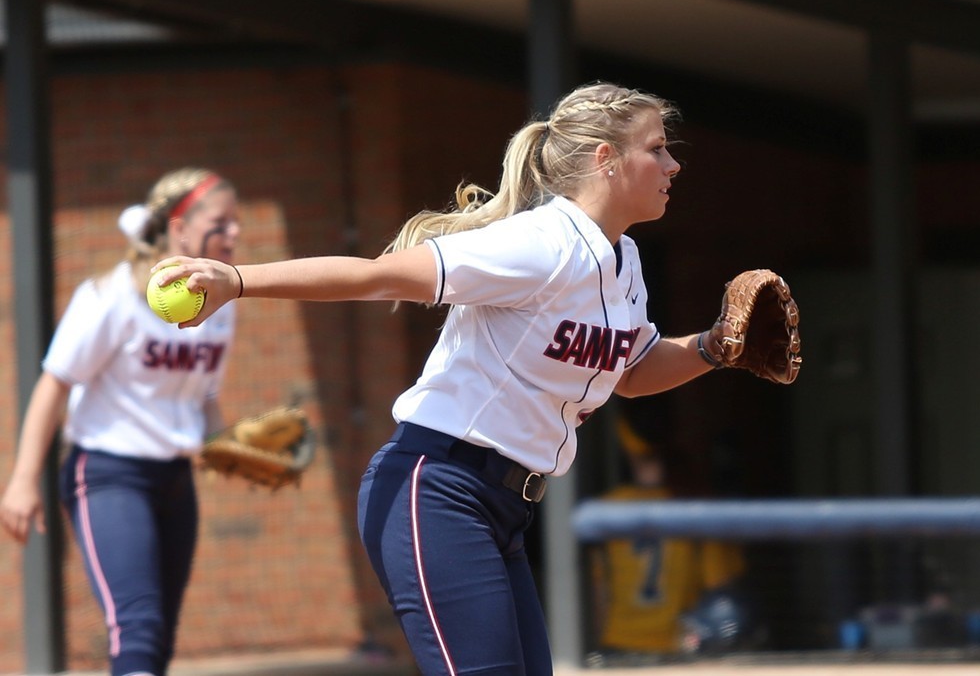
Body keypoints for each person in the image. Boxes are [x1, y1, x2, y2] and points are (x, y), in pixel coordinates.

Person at [150, 81, 736, 676]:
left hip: (503, 507)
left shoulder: (625, 261)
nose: (673, 163)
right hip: (437, 490)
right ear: (606, 159)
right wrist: (237, 280)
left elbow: (631, 374)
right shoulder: (539, 244)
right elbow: (375, 276)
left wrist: (715, 347)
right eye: (656, 148)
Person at [0, 168, 240, 676]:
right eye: (221, 223)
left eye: (235, 223)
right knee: (138, 627)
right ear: (180, 229)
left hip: (175, 479)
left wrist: (229, 446)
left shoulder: (220, 304)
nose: (234, 233)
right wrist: (22, 479)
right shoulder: (113, 296)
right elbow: (55, 382)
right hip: (109, 473)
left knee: (158, 640)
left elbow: (205, 395)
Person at [588, 417, 747, 662]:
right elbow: (721, 591)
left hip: (621, 643)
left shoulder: (610, 505)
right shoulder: (698, 508)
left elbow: (598, 592)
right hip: (675, 648)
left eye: (646, 458)